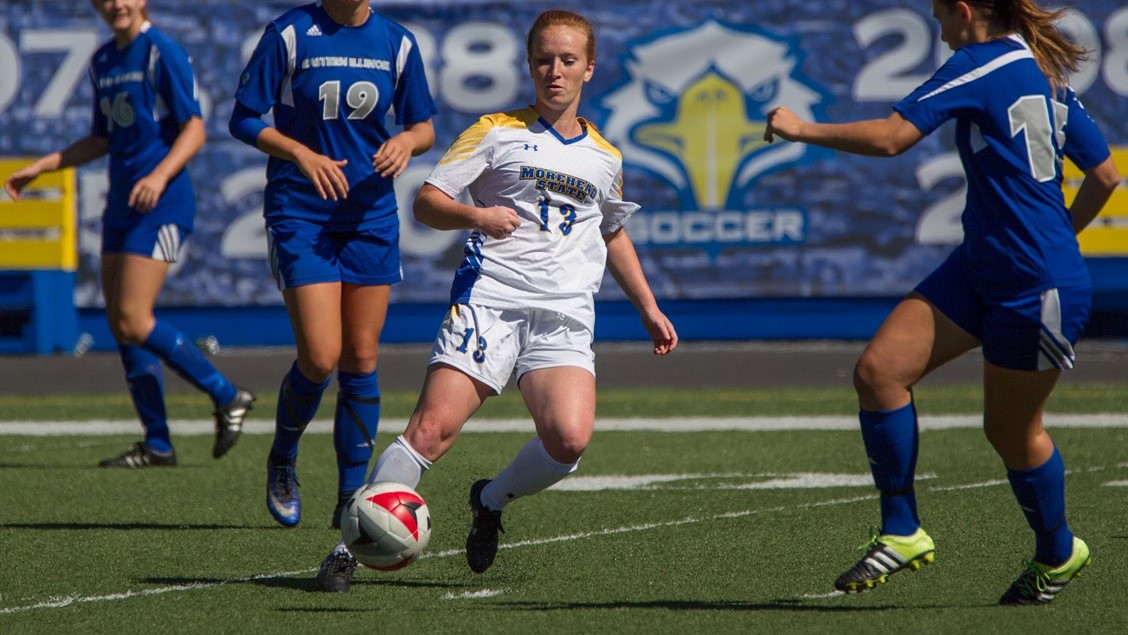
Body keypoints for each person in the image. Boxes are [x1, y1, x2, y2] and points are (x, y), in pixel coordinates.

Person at [765, 0, 1120, 606]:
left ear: (964, 12)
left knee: (1010, 432)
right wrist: (1059, 232)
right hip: (983, 265)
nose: (938, 27)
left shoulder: (978, 63)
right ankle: (902, 531)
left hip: (1034, 286)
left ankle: (1059, 551)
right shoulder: (1044, 76)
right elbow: (1106, 175)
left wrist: (801, 129)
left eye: (938, 15)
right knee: (879, 373)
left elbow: (892, 138)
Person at [313, 8, 679, 592]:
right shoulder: (494, 130)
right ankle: (347, 548)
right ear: (528, 64)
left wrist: (648, 306)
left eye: (566, 60)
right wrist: (476, 214)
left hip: (564, 313)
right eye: (543, 59)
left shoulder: (605, 157)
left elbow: (612, 231)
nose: (553, 71)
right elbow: (427, 202)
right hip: (492, 299)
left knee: (568, 441)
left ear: (589, 67)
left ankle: (489, 499)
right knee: (431, 429)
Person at [227, 0, 436, 569]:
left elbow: (423, 125)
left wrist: (406, 143)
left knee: (362, 358)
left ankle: (351, 501)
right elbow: (244, 116)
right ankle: (283, 456)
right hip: (302, 209)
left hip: (369, 213)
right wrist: (298, 152)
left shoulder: (397, 42)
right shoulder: (290, 34)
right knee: (321, 355)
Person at [5, 0, 255, 468]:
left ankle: (226, 394)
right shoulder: (104, 60)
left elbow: (195, 130)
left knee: (134, 319)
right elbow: (102, 138)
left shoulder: (161, 51)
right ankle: (157, 442)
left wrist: (159, 176)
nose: (116, 4)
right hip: (122, 205)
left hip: (161, 204)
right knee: (122, 325)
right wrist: (43, 166)